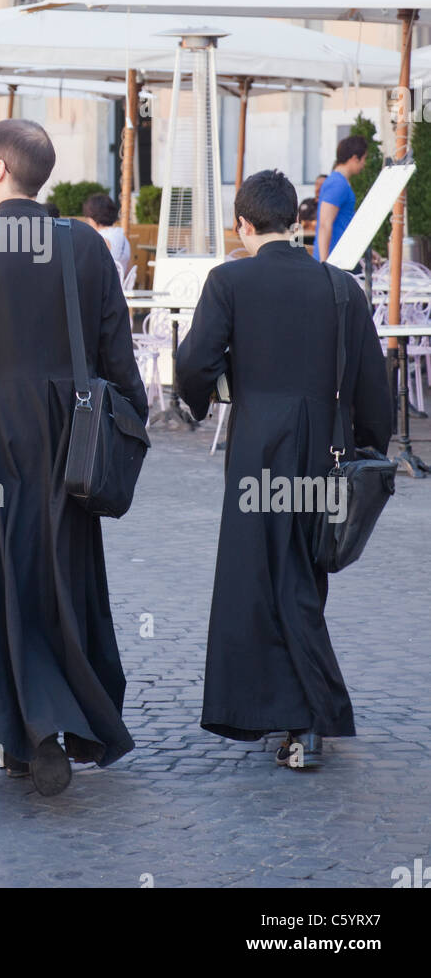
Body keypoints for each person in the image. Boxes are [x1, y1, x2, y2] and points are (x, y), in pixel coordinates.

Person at [0, 119, 148, 795]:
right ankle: (39, 724)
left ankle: (31, 732)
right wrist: (130, 428)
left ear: (4, 172)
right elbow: (117, 356)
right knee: (66, 578)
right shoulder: (86, 246)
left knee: (4, 577)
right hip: (73, 439)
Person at [175, 169, 391, 768]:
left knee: (262, 582)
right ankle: (294, 716)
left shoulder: (229, 280)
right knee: (301, 578)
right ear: (296, 222)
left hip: (257, 450)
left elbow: (193, 363)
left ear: (243, 225)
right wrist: (372, 446)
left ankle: (305, 717)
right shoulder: (341, 287)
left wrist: (200, 402)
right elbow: (375, 386)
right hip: (325, 449)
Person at [313, 136, 367, 262]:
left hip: (339, 257)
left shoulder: (340, 182)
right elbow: (325, 224)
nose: (364, 164)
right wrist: (324, 264)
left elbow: (344, 221)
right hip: (334, 259)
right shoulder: (338, 183)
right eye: (364, 158)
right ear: (354, 158)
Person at [82, 192, 131, 278]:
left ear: (92, 218)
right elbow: (129, 270)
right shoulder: (123, 238)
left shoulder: (99, 239)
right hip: (122, 287)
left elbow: (89, 270)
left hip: (103, 289)